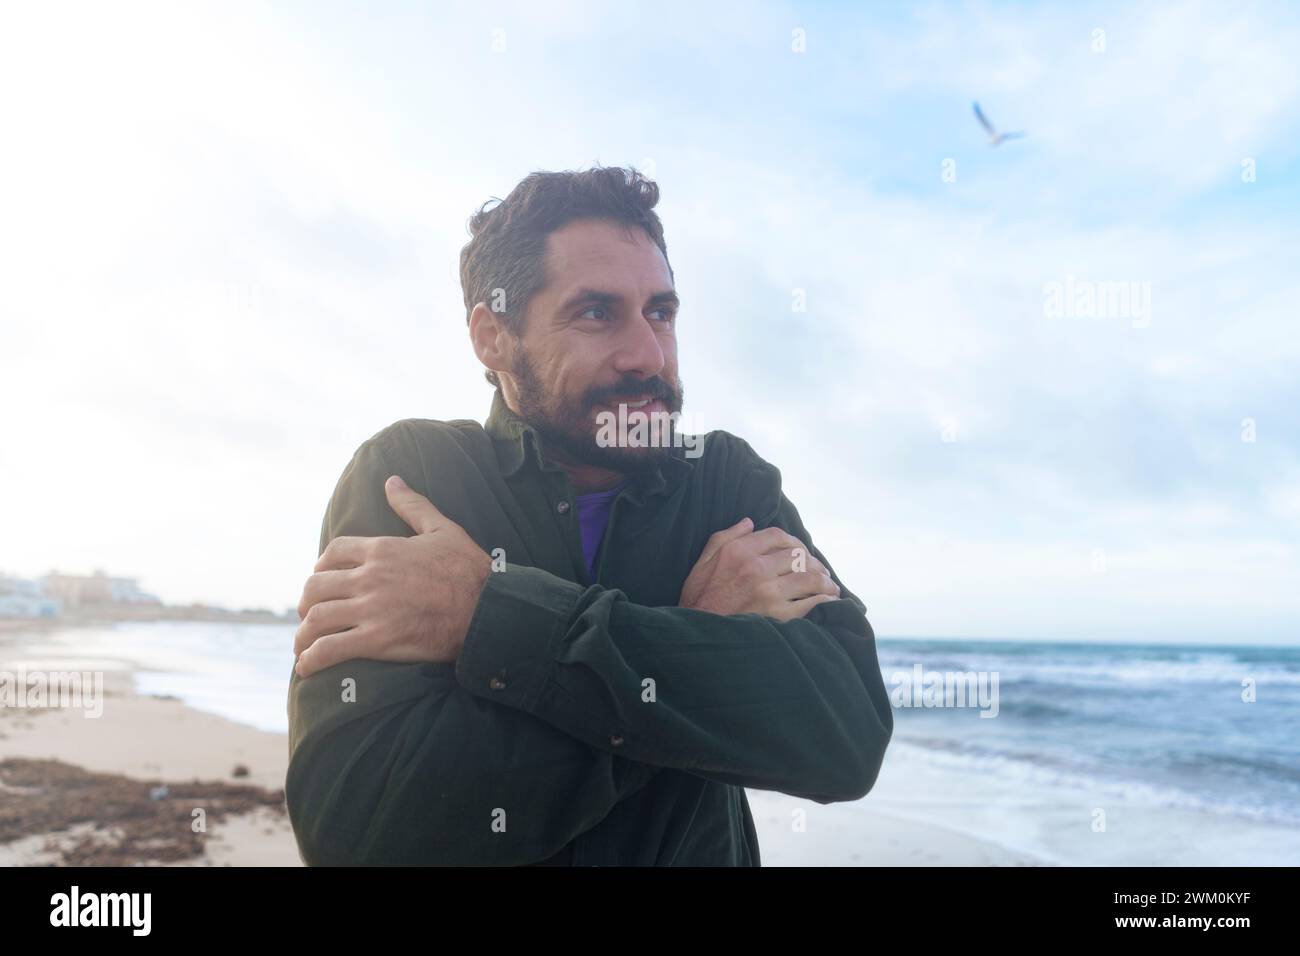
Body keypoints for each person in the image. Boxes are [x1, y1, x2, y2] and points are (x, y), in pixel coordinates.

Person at [285, 166, 893, 866]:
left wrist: (491, 615)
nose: (648, 355)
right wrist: (695, 647)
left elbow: (845, 737)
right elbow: (362, 831)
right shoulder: (414, 478)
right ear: (493, 336)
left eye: (661, 313)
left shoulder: (726, 484)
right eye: (597, 313)